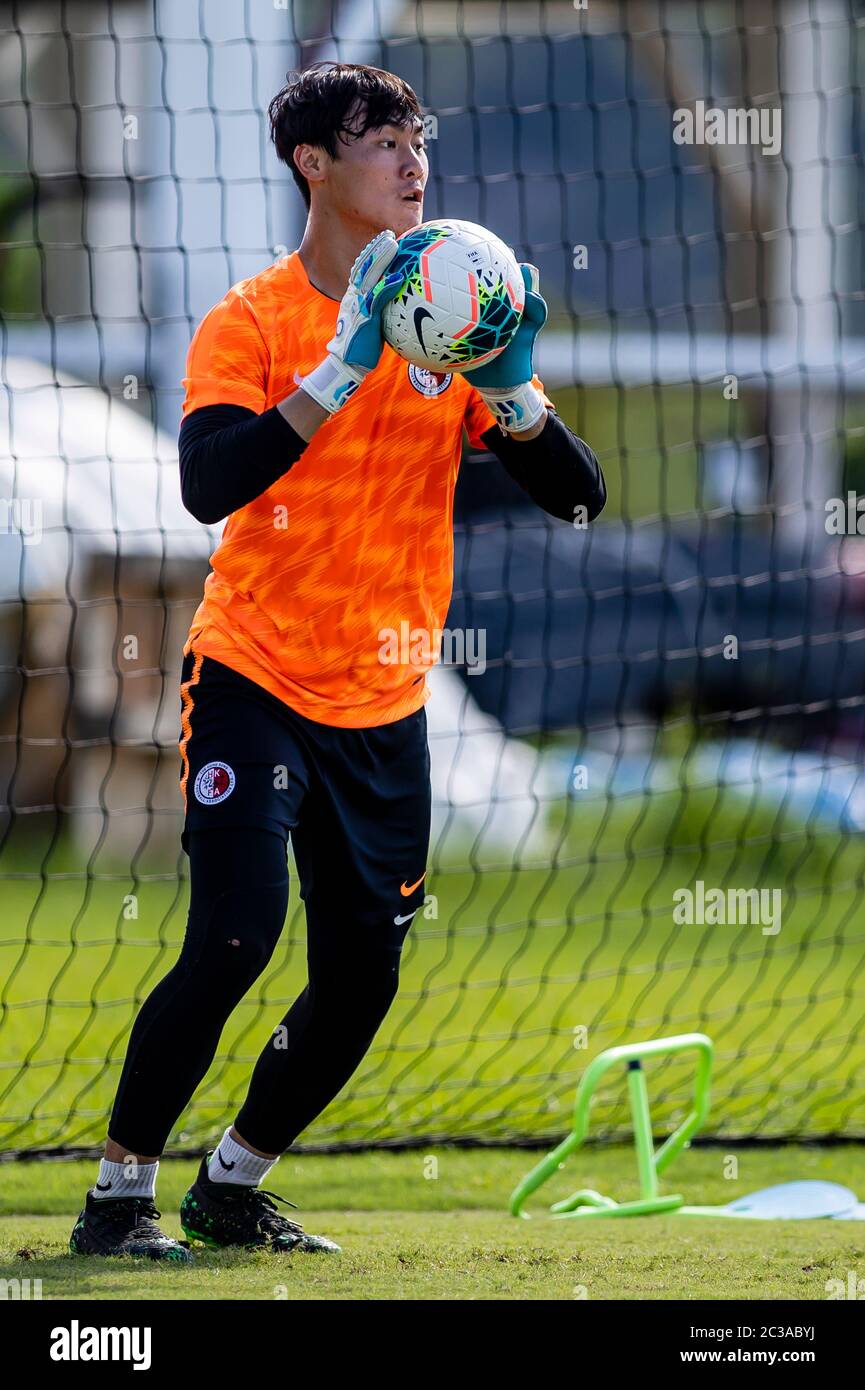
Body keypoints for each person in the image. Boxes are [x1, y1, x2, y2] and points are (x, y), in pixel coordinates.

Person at [69, 60, 606, 1261]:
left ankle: (231, 1186)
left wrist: (513, 395)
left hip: (387, 692)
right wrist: (340, 367)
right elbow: (210, 484)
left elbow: (579, 499)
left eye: (419, 141)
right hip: (253, 672)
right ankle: (116, 1198)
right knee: (235, 934)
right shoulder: (253, 319)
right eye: (383, 142)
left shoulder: (452, 313)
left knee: (364, 974)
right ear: (314, 164)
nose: (413, 163)